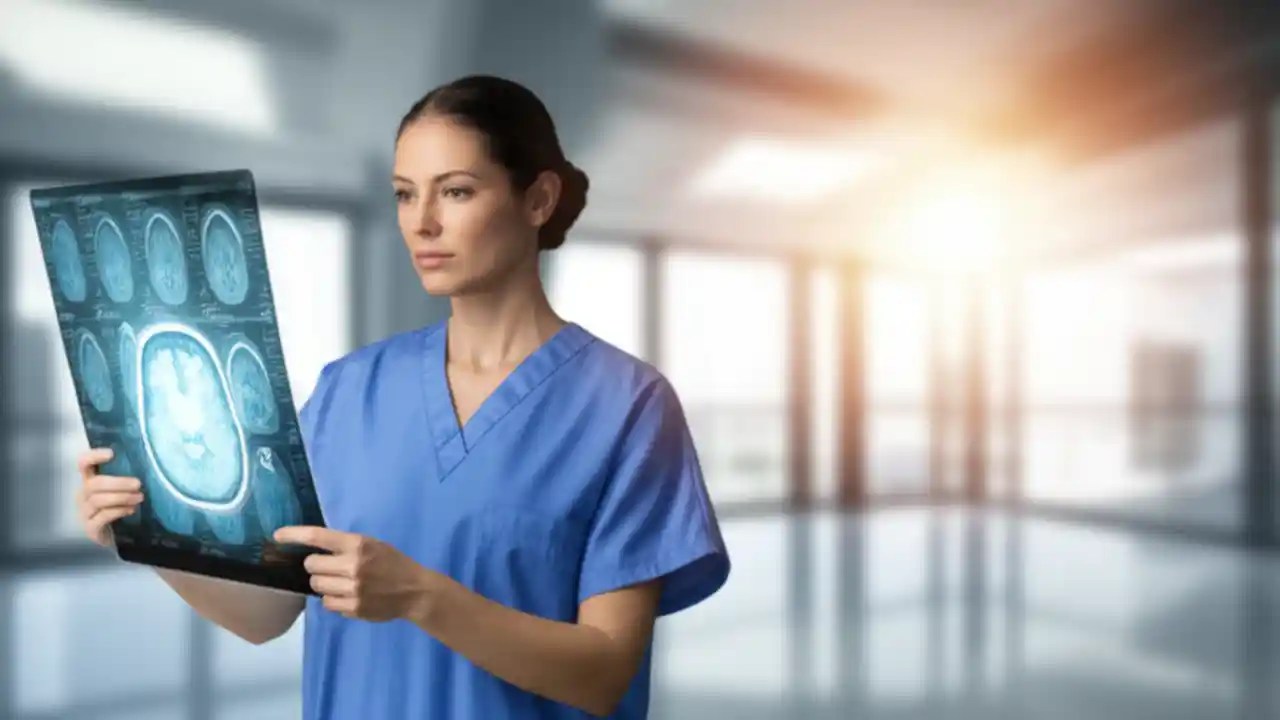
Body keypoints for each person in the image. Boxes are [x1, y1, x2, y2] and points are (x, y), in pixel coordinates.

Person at [75, 74, 730, 719]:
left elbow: (603, 673)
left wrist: (419, 595)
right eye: (404, 194)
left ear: (538, 200)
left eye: (457, 192)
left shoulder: (628, 407)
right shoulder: (348, 390)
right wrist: (145, 535)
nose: (423, 223)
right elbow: (269, 614)